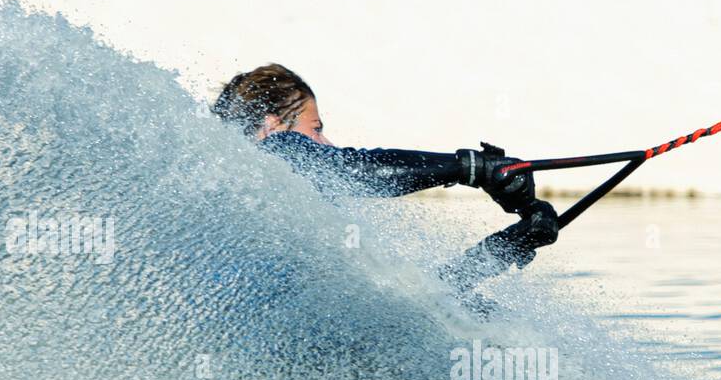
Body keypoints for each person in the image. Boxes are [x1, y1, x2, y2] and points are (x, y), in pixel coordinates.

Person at [211, 64, 559, 292]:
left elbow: (415, 306)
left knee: (476, 311)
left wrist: (503, 247)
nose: (327, 143)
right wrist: (473, 167)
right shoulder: (273, 152)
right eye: (316, 130)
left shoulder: (260, 197)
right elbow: (354, 171)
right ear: (272, 125)